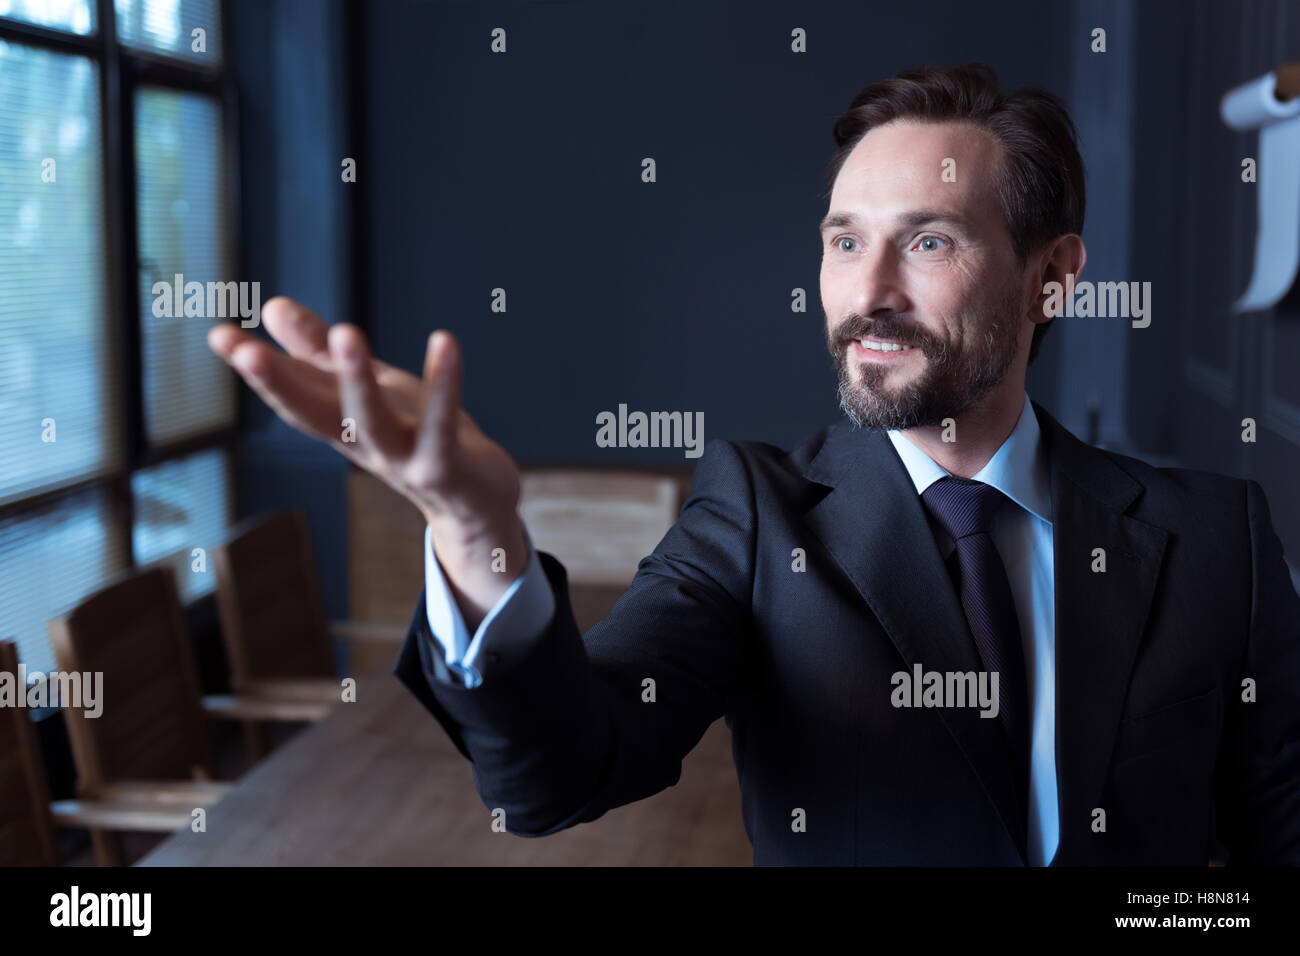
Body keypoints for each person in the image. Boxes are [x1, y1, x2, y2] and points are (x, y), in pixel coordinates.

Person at [208, 63, 1300, 865]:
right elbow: (558, 771)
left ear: (1052, 277)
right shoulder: (756, 516)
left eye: (927, 242)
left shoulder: (1216, 540)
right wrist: (471, 526)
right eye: (840, 239)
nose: (865, 289)